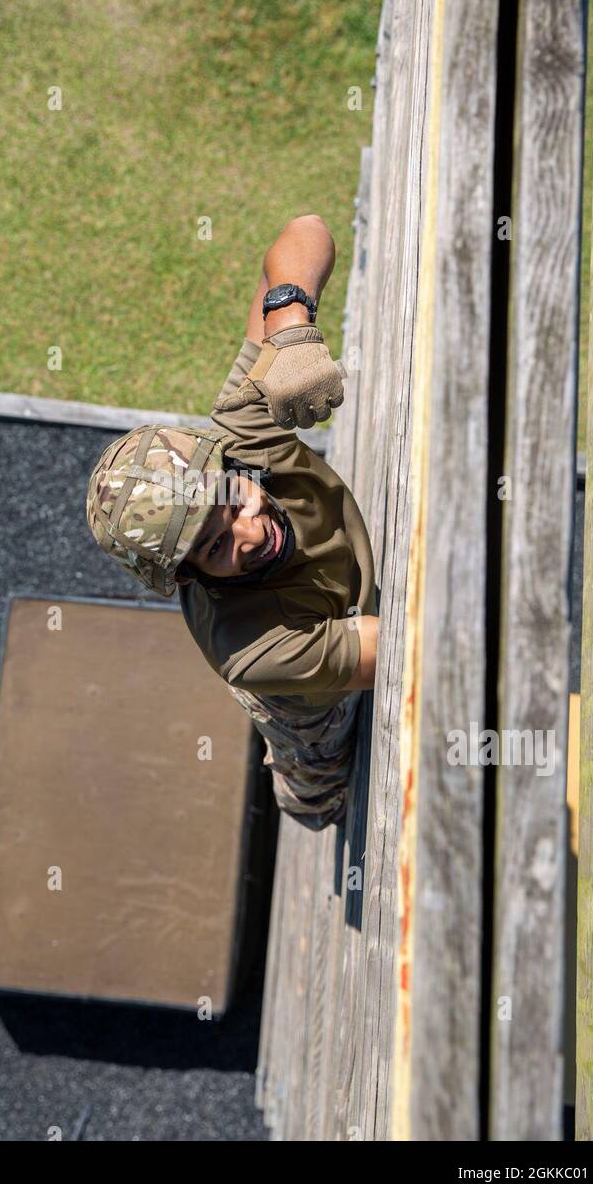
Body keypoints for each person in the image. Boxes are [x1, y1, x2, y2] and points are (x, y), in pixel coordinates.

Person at [86, 213, 379, 830]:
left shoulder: (243, 431)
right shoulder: (250, 647)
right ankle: (299, 796)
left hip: (345, 607)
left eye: (232, 501)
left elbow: (305, 231)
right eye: (216, 546)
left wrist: (291, 324)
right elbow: (403, 652)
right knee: (319, 784)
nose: (249, 531)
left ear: (224, 464)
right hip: (305, 700)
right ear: (192, 576)